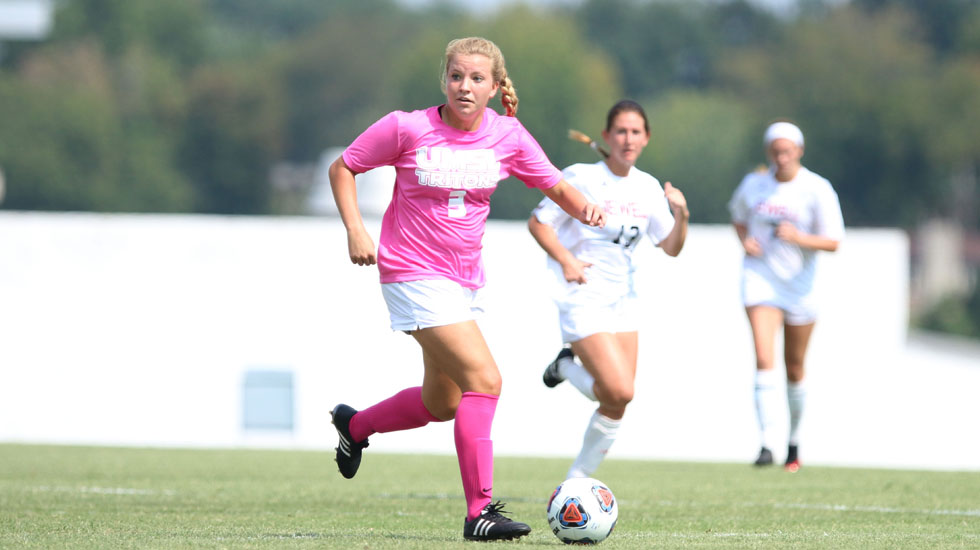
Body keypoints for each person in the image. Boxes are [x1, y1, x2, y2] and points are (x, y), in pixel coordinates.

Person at [327, 37, 606, 542]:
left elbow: (555, 185)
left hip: (462, 281)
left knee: (443, 403)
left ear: (496, 86)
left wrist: (585, 208)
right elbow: (343, 166)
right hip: (410, 272)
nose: (465, 86)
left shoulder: (508, 136)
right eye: (457, 76)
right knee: (486, 379)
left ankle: (356, 427)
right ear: (445, 80)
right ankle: (479, 512)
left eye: (477, 79)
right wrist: (355, 229)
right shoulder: (406, 126)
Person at [529, 99, 689, 480]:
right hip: (582, 297)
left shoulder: (648, 187)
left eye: (635, 132)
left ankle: (576, 480)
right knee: (619, 390)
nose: (628, 139)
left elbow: (671, 247)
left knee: (617, 399)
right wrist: (566, 260)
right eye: (621, 131)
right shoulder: (582, 177)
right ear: (606, 136)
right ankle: (566, 366)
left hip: (623, 301)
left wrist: (682, 214)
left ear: (646, 138)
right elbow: (539, 222)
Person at [727, 121, 844, 472]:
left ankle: (793, 442)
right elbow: (738, 215)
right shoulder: (754, 184)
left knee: (794, 367)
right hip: (760, 280)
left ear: (799, 151)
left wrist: (799, 237)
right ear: (769, 152)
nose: (781, 157)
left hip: (800, 286)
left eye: (787, 151)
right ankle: (766, 444)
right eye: (776, 151)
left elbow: (833, 241)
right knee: (764, 358)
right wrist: (744, 239)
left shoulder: (817, 189)